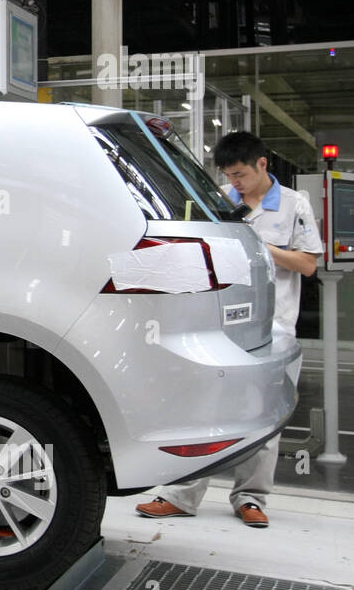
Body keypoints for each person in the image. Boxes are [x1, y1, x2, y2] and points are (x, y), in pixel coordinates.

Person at [136, 131, 321, 528]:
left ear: (262, 165)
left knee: (264, 415)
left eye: (240, 175)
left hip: (272, 327)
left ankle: (251, 497)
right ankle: (180, 495)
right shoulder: (218, 199)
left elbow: (307, 264)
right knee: (201, 408)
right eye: (229, 175)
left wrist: (253, 244)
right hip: (217, 324)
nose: (235, 183)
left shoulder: (293, 205)